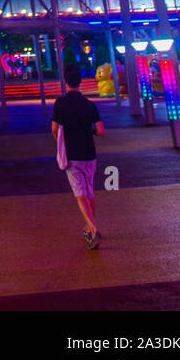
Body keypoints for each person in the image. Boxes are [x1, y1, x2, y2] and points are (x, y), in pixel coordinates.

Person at [52, 64, 105, 249]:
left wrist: (60, 140)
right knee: (90, 191)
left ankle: (93, 229)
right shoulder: (90, 105)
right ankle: (89, 230)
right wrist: (87, 130)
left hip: (72, 155)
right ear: (80, 83)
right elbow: (100, 131)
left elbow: (54, 129)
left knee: (80, 195)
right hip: (89, 154)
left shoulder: (60, 104)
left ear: (65, 82)